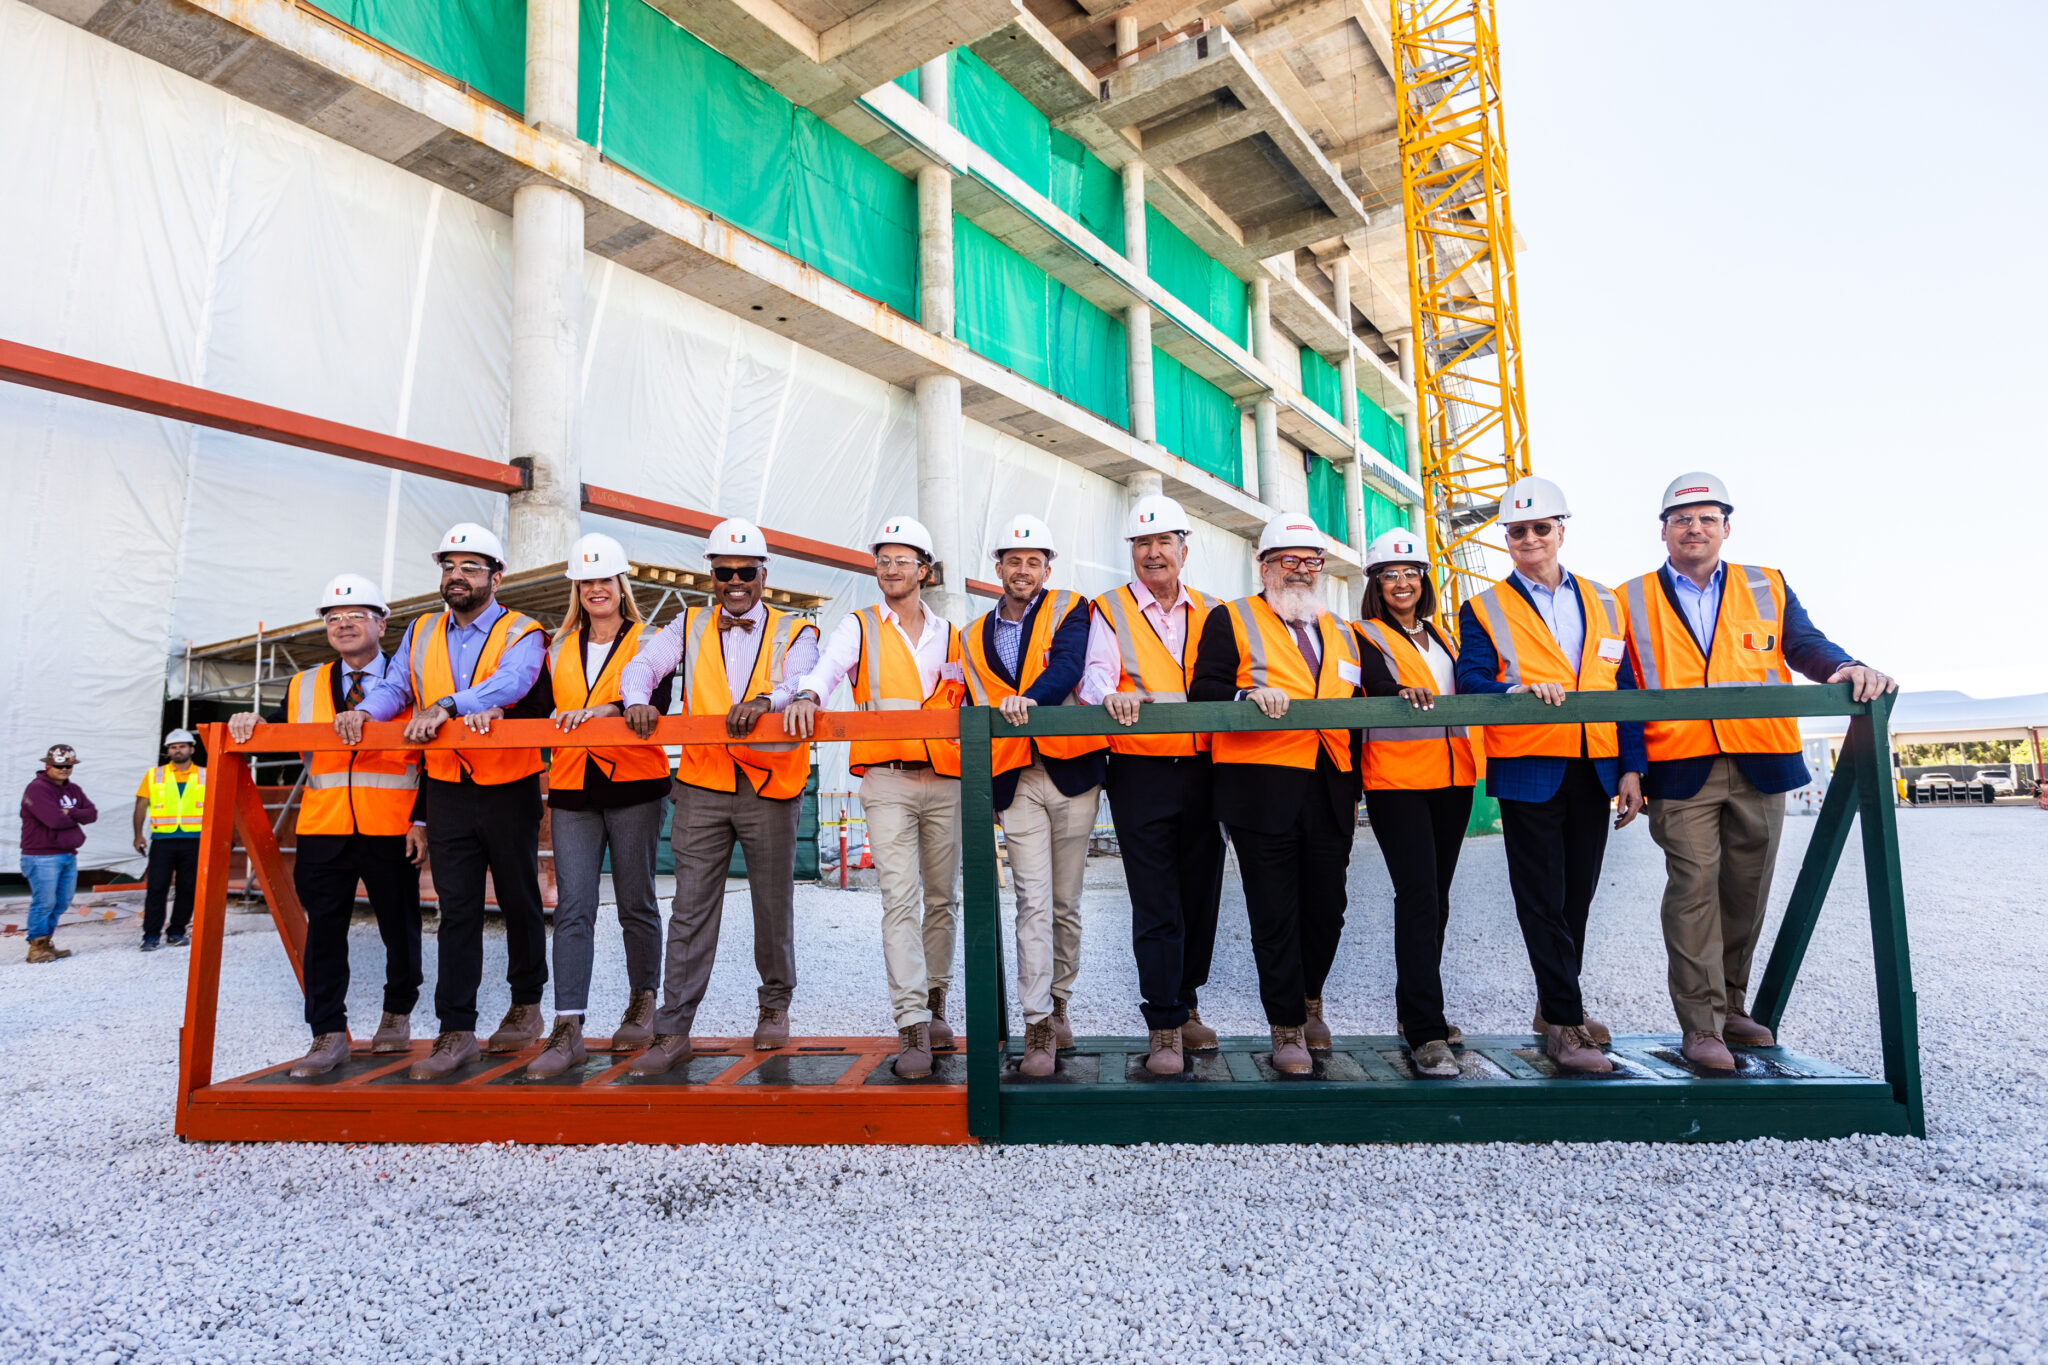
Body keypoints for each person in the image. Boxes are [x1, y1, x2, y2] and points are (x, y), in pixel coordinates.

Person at [1620, 472, 1894, 1072]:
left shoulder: (1766, 585)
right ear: (1663, 530)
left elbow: (1804, 644)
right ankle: (1701, 1026)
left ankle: (1732, 1008)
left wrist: (1845, 667)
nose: (1695, 528)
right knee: (1692, 891)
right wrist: (1631, 769)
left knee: (1745, 892)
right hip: (1679, 766)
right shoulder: (1629, 597)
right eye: (1682, 519)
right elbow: (1623, 687)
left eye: (1707, 518)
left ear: (1726, 527)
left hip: (1759, 762)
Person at [338, 522, 554, 1081]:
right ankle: (455, 1030)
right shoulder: (421, 630)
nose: (456, 577)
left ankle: (527, 1004)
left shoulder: (522, 631)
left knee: (518, 899)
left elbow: (514, 682)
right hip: (449, 789)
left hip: (509, 785)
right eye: (449, 567)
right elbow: (395, 686)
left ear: (495, 576)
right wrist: (368, 711)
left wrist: (450, 704)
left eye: (470, 568)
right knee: (456, 911)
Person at [1455, 476, 1646, 1075]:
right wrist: (1514, 690)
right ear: (1506, 539)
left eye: (1541, 528)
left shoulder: (1607, 602)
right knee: (1541, 900)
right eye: (1518, 531)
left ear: (1562, 530)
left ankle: (1553, 1006)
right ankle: (1566, 1023)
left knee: (1577, 898)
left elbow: (1625, 689)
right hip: (1530, 767)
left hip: (1594, 767)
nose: (1530, 538)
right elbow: (1471, 680)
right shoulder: (1483, 606)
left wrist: (1632, 767)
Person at [621, 519, 820, 1076]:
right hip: (704, 783)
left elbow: (802, 677)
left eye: (745, 571)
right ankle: (673, 1027)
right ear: (712, 573)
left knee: (772, 904)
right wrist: (637, 697)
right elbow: (643, 666)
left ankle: (775, 1006)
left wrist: (767, 698)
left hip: (770, 786)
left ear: (763, 574)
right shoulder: (687, 623)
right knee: (689, 908)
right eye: (724, 571)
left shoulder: (794, 630)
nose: (735, 581)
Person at [786, 516, 967, 1079]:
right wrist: (809, 692)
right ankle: (911, 1021)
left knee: (942, 900)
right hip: (886, 780)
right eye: (883, 559)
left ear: (925, 571)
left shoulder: (951, 634)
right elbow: (830, 666)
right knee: (899, 899)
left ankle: (936, 1003)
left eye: (902, 559)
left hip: (944, 780)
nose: (890, 568)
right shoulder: (861, 626)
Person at [228, 574, 427, 1077]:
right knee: (325, 934)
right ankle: (326, 1033)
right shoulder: (302, 685)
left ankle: (397, 1014)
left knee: (399, 929)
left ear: (381, 624)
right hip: (324, 828)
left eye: (356, 615)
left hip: (392, 826)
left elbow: (432, 759)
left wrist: (421, 820)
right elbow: (275, 731)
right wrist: (249, 722)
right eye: (333, 617)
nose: (343, 624)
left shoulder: (412, 683)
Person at [1189, 514, 1363, 1076]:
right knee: (1274, 911)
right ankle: (1286, 1025)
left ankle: (1311, 996)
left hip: (1329, 783)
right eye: (1288, 561)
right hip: (1261, 787)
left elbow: (1367, 692)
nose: (1301, 571)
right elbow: (1203, 689)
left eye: (1311, 561)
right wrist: (1245, 693)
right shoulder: (1231, 618)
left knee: (1328, 909)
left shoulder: (1338, 627)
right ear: (1264, 567)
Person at [1077, 494, 1225, 1077]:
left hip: (1207, 770)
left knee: (1200, 896)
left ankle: (1187, 1002)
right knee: (1156, 900)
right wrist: (1106, 693)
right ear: (1132, 554)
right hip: (1140, 771)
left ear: (1184, 550)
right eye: (1143, 544)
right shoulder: (1108, 609)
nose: (1154, 553)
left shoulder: (1214, 611)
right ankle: (1164, 1024)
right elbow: (1093, 675)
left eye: (1164, 542)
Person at [960, 513, 1107, 1079]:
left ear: (1047, 567)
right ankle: (1038, 1022)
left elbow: (1070, 665)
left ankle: (1061, 999)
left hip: (1072, 772)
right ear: (997, 567)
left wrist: (1027, 701)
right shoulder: (973, 634)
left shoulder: (1072, 606)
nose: (1022, 571)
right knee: (1032, 901)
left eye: (1032, 562)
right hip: (1016, 778)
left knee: (1066, 902)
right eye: (1013, 561)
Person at [527, 533, 673, 1079]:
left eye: (604, 580)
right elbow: (539, 709)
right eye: (586, 582)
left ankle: (643, 1001)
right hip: (571, 787)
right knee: (573, 908)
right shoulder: (556, 647)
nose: (596, 589)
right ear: (577, 589)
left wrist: (607, 708)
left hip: (634, 783)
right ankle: (568, 1026)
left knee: (636, 899)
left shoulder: (649, 640)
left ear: (620, 585)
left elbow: (656, 701)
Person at [1351, 530, 1478, 1079]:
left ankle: (1414, 1010)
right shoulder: (1362, 634)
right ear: (1375, 584)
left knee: (1438, 898)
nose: (1401, 583)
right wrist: (1396, 692)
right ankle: (1427, 1031)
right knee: (1419, 896)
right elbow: (1374, 683)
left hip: (1454, 779)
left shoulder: (1443, 637)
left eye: (1410, 573)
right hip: (1397, 780)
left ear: (1423, 580)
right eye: (1389, 575)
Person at [20, 744, 95, 963]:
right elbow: (53, 820)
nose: (64, 770)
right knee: (44, 901)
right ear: (48, 765)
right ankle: (36, 947)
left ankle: (46, 941)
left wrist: (69, 812)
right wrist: (74, 816)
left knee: (61, 902)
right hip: (41, 855)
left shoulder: (73, 790)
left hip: (67, 854)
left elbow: (92, 814)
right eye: (59, 766)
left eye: (68, 766)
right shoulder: (37, 788)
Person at [132, 728, 205, 951]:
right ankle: (151, 935)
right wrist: (138, 835)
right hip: (162, 840)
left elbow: (217, 807)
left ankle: (176, 932)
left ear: (191, 749)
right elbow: (141, 805)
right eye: (173, 747)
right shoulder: (154, 775)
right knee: (156, 887)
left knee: (187, 888)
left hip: (194, 840)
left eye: (182, 746)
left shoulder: (206, 775)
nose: (178, 750)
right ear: (168, 751)